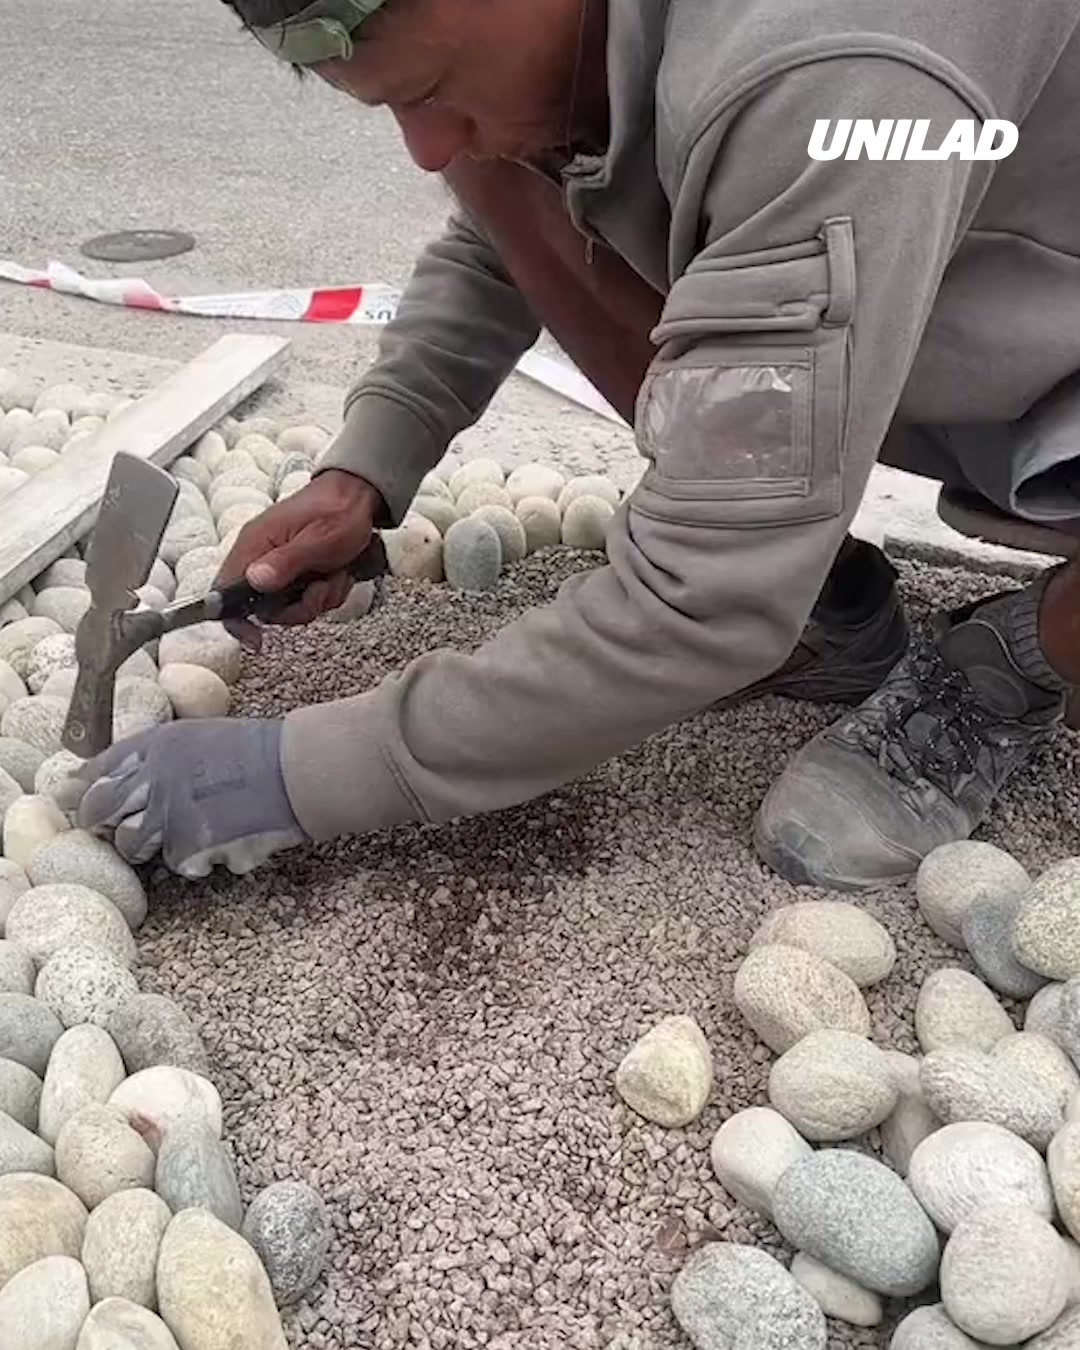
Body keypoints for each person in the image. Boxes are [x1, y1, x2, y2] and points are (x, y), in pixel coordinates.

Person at [74, 0, 1080, 888]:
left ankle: (1016, 660)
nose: (420, 148)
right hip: (956, 264)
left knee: (733, 576)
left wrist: (302, 773)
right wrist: (369, 466)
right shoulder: (574, 53)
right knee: (501, 157)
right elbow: (498, 240)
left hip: (1020, 299)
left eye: (425, 87)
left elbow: (700, 602)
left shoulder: (831, 71)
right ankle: (822, 590)